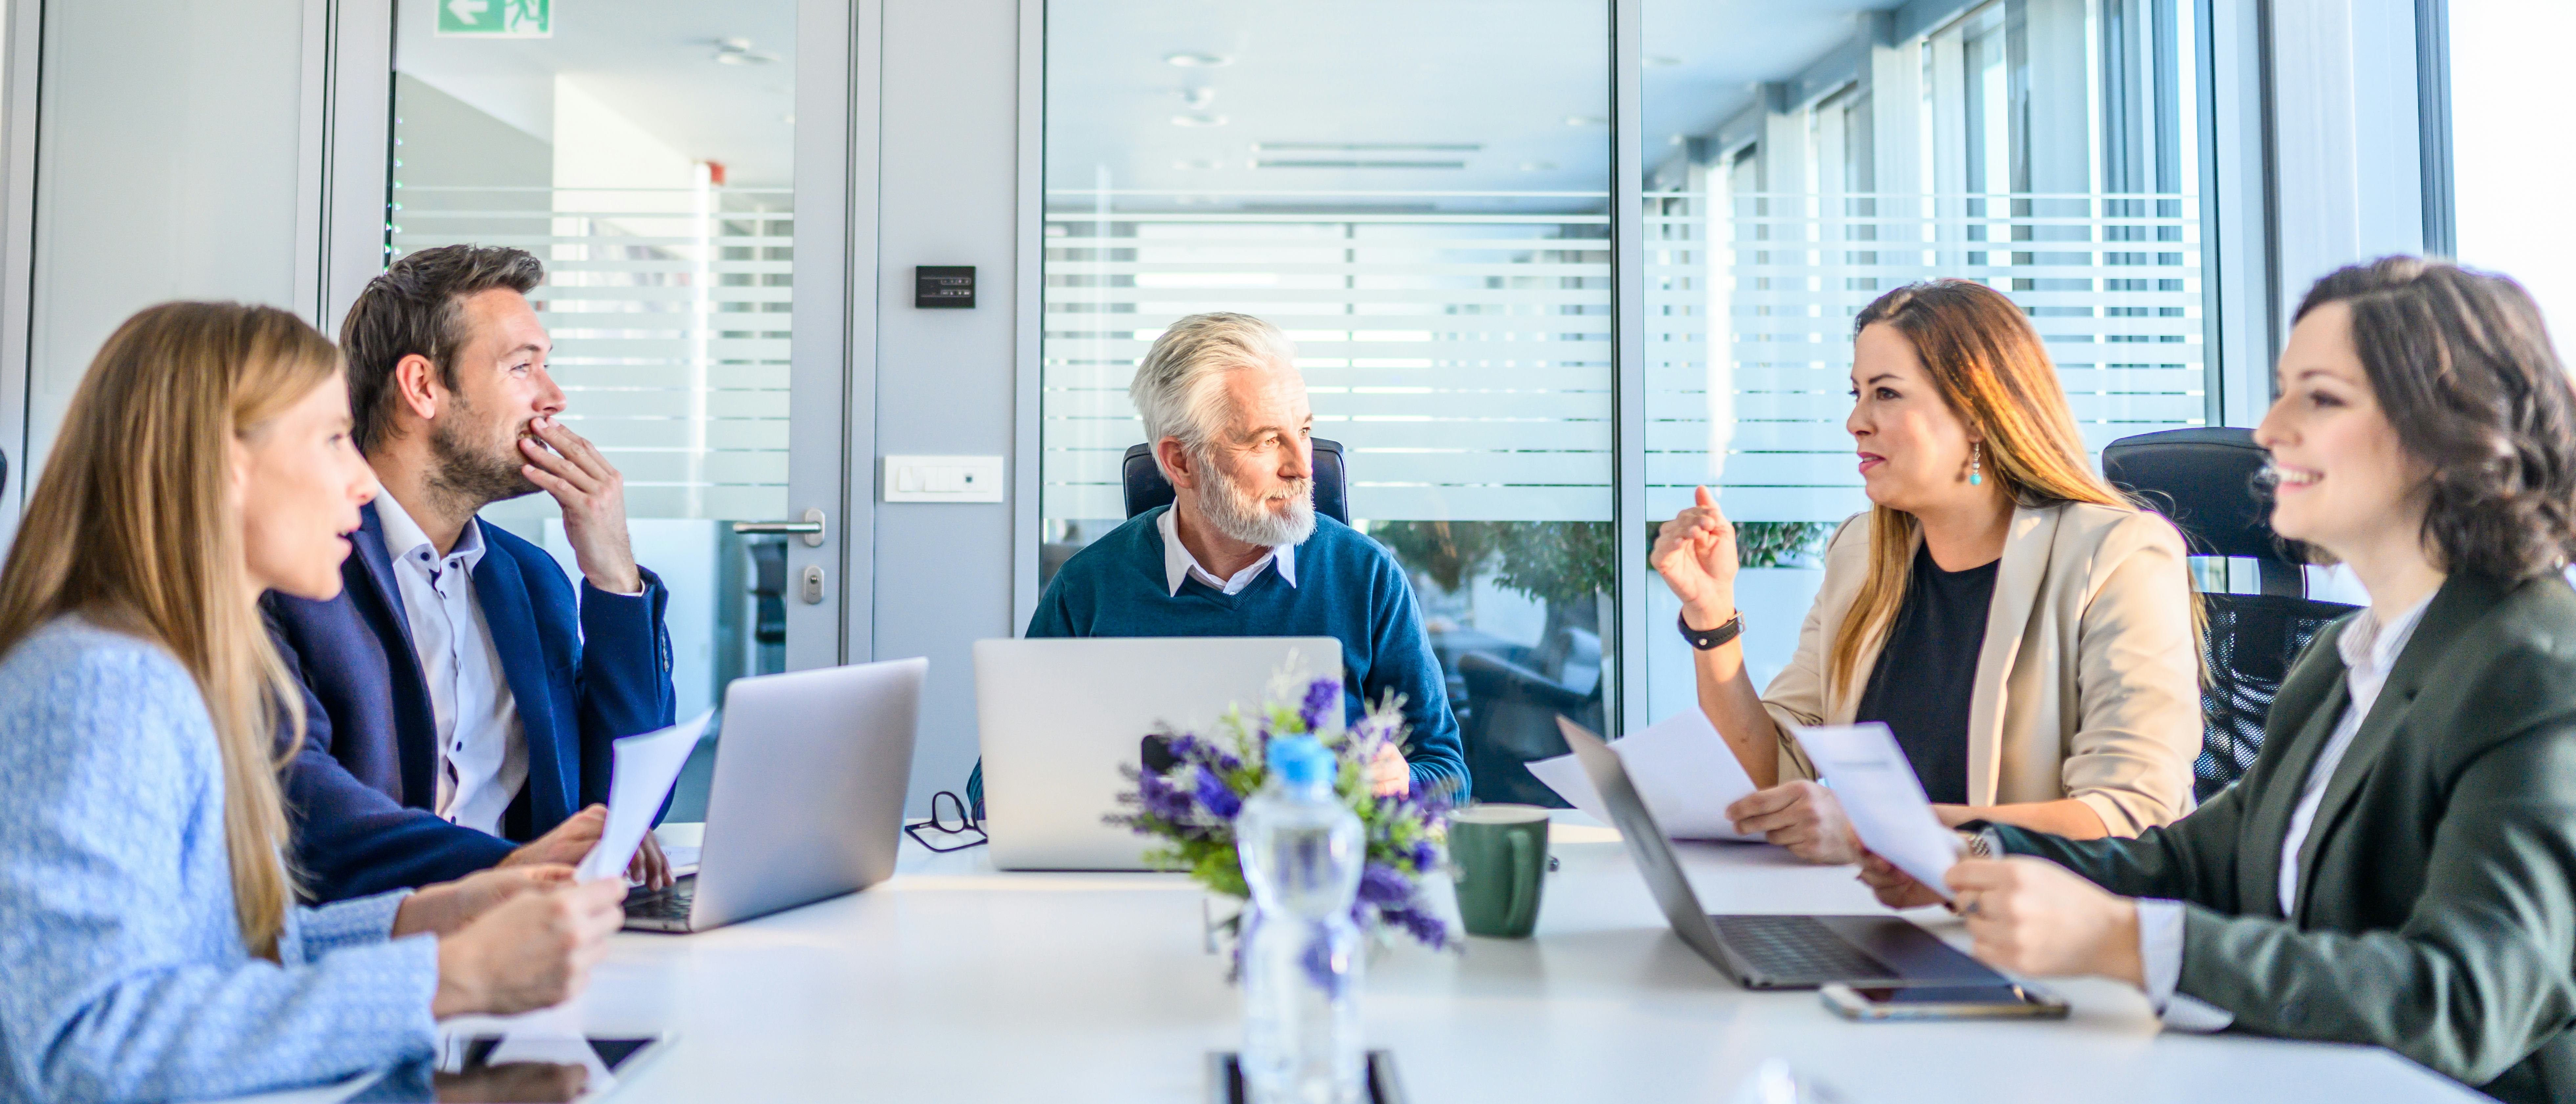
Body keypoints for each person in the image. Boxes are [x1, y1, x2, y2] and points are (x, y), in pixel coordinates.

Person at [1858, 258, 2576, 1103]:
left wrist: (2133, 945)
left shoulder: (2536, 668)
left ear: (2441, 433)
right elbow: (2192, 863)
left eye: (2319, 397)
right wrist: (1974, 854)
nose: (2269, 429)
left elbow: (2463, 1000)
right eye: (2281, 393)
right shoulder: (2344, 661)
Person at [0, 302, 628, 1103]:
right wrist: (446, 979)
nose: (364, 480)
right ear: (225, 464)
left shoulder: (171, 670)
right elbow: (81, 1044)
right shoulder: (102, 686)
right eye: (334, 440)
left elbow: (217, 954)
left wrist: (429, 915)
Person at [1653, 279, 2200, 862]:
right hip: (1882, 913)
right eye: (1856, 392)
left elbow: (2130, 816)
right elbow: (1770, 778)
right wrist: (1711, 614)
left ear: (1977, 415)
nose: (1855, 421)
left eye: (1886, 393)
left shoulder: (2117, 558)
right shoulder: (1860, 554)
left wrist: (1883, 832)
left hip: (2037, 931)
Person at [265, 244, 678, 902]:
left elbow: (623, 808)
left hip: (540, 934)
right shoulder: (297, 567)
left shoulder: (529, 579)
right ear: (422, 387)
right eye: (523, 367)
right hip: (378, 944)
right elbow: (301, 808)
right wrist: (514, 868)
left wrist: (613, 575)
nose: (554, 397)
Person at [1025, 312, 1468, 800]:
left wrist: (1404, 780)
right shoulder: (1088, 587)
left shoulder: (1367, 577)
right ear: (1181, 461)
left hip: (1313, 867)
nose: (1303, 466)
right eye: (1268, 440)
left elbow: (1449, 772)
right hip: (1137, 867)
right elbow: (998, 777)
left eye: (1303, 430)